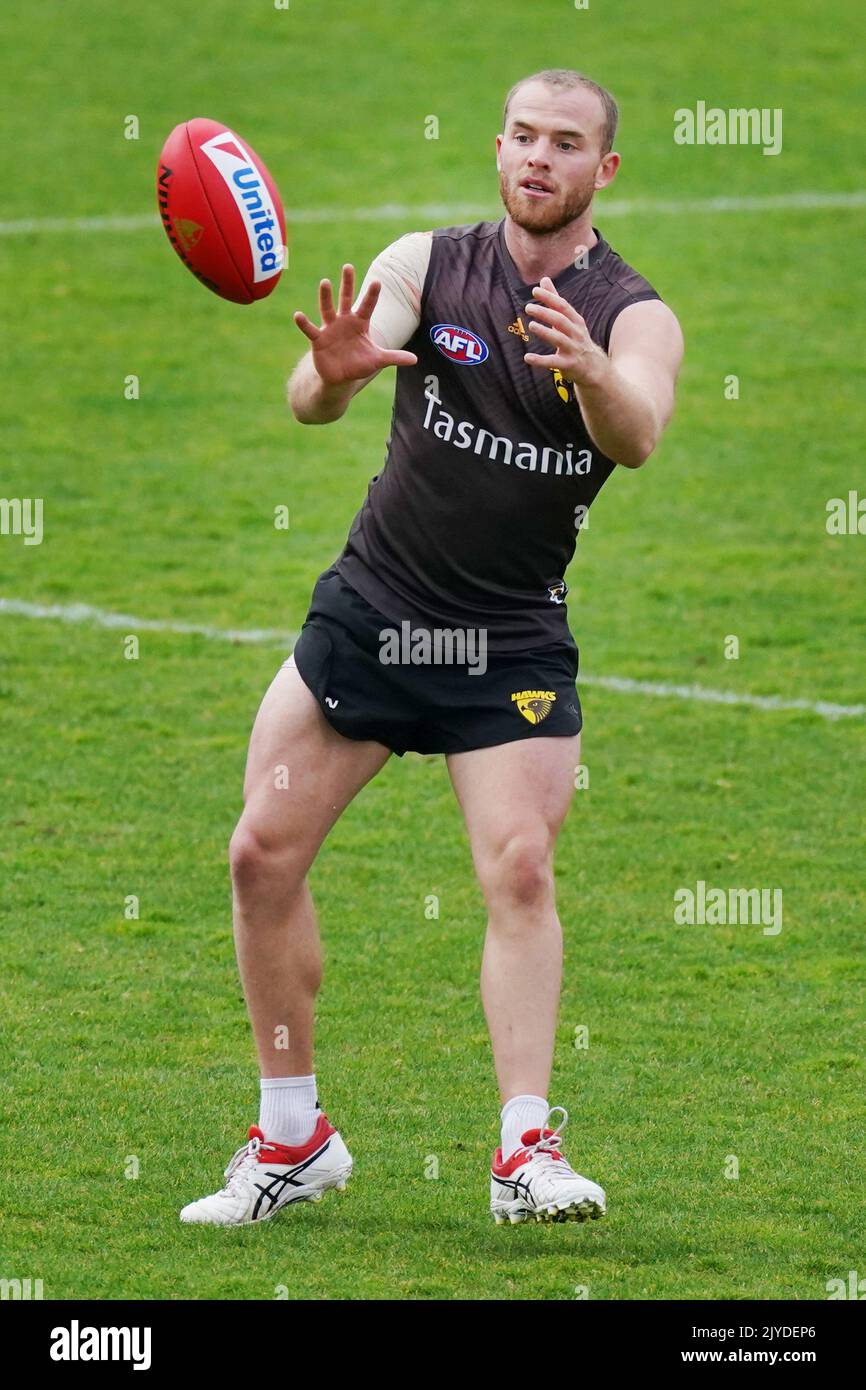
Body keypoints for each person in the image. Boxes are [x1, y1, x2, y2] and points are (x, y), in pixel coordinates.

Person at [180, 68, 683, 1227]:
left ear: (601, 170)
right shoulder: (426, 263)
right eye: (519, 136)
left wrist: (598, 376)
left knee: (517, 867)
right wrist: (334, 373)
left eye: (563, 143)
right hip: (374, 606)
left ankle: (524, 1153)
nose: (535, 158)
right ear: (496, 146)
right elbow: (312, 394)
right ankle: (292, 1136)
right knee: (259, 852)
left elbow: (640, 431)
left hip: (505, 638)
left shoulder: (630, 313)